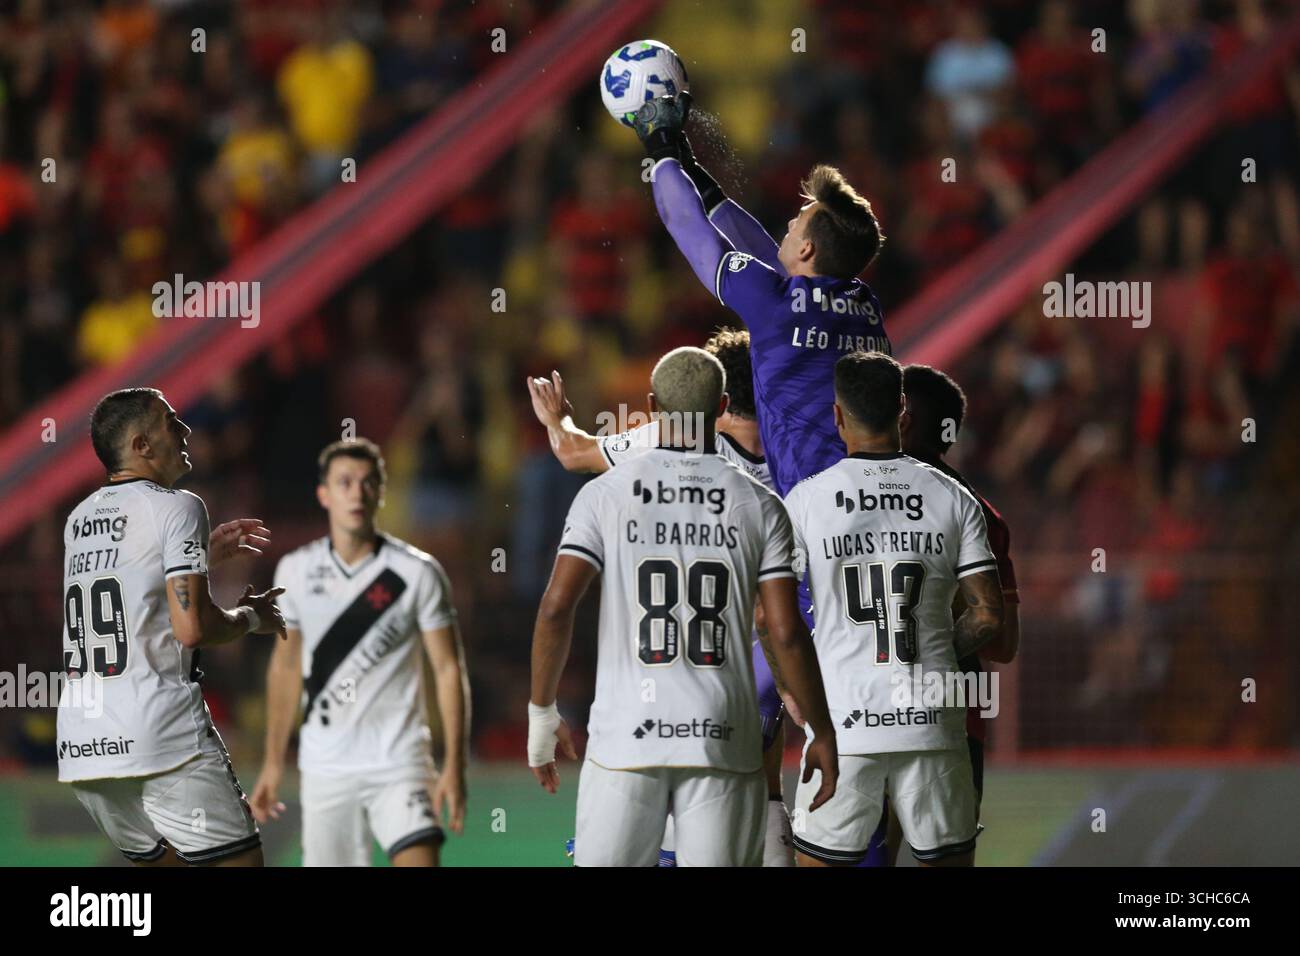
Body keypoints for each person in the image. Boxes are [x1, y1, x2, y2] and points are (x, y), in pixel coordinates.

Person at [526, 346, 838, 866]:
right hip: (729, 713)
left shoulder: (616, 481)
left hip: (630, 727)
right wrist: (819, 726)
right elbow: (779, 627)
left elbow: (557, 605)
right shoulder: (789, 470)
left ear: (653, 403)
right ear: (722, 403)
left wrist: (558, 421)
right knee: (766, 780)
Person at [782, 352, 1003, 866]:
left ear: (838, 416)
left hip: (843, 721)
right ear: (902, 411)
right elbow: (990, 616)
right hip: (932, 720)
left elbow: (771, 618)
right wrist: (933, 651)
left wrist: (795, 689)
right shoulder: (953, 497)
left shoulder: (807, 501)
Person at [59, 387, 285, 866]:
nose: (185, 431)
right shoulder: (179, 505)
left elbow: (129, 592)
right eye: (171, 422)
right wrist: (251, 618)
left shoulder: (78, 519)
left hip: (84, 745)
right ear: (142, 445)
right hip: (160, 734)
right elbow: (192, 628)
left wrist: (199, 557)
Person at [250, 438, 470, 867]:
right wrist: (273, 763)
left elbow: (447, 669)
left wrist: (454, 765)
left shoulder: (417, 572)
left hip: (401, 761)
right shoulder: (293, 570)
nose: (356, 492)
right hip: (326, 765)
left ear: (381, 493)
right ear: (324, 494)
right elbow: (286, 667)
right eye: (345, 482)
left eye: (368, 483)